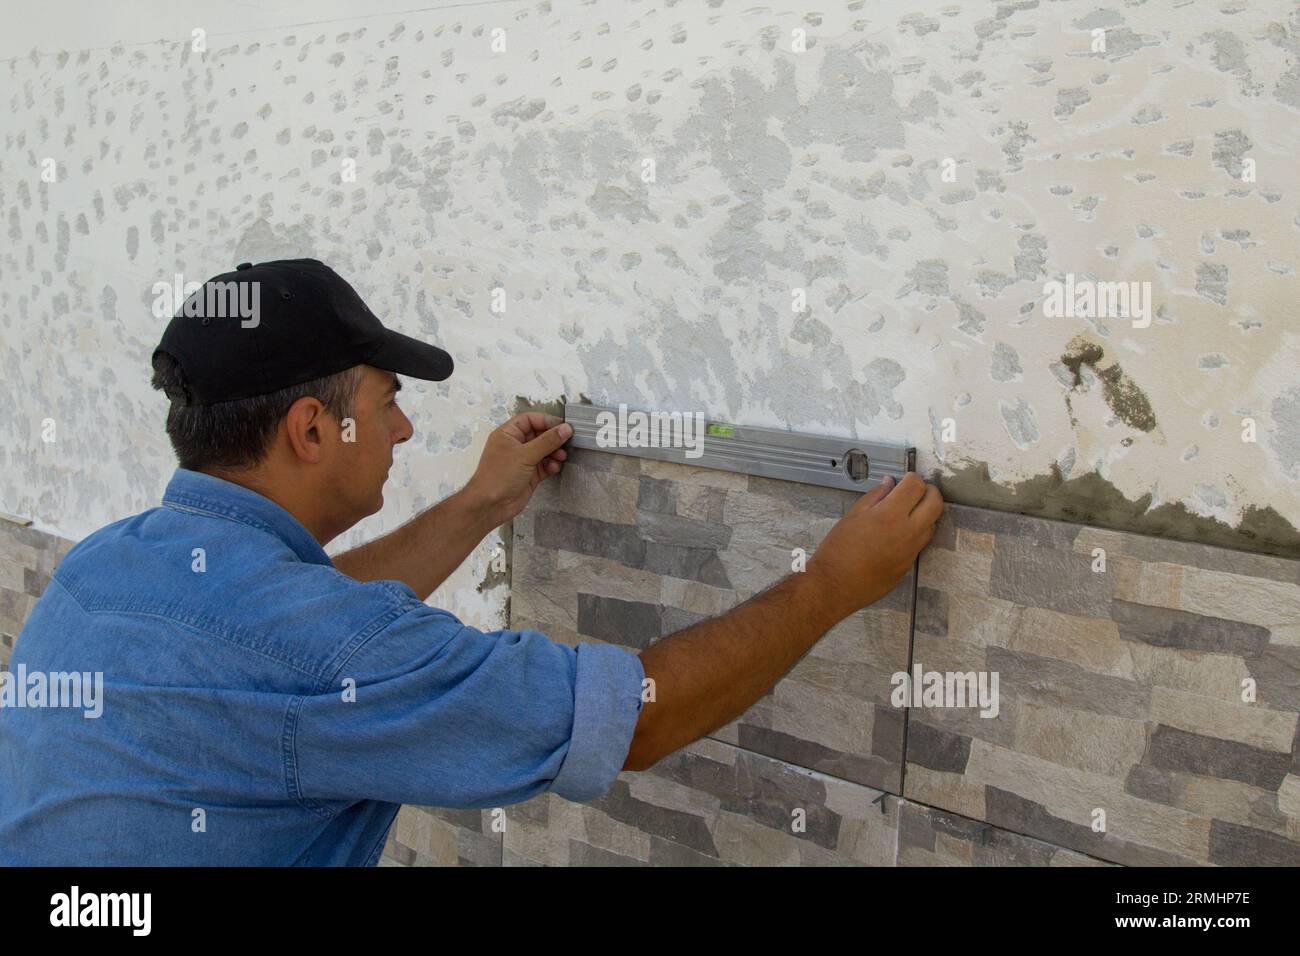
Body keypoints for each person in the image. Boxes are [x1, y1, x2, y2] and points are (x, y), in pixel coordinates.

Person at [0, 258, 942, 865]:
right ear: (313, 428)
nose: (406, 427)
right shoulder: (323, 654)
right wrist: (829, 585)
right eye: (388, 399)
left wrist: (481, 505)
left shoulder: (105, 570)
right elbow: (631, 721)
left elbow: (288, 640)